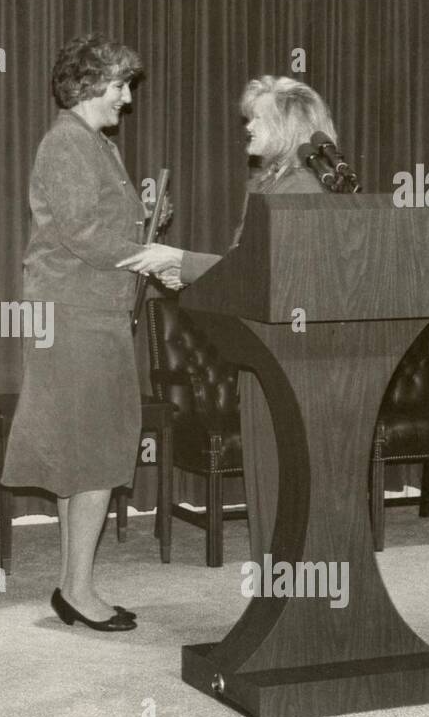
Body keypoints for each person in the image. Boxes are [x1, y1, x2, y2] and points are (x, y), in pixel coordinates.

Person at [1, 34, 181, 632]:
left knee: (85, 452)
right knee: (98, 452)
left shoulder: (91, 144)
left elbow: (98, 228)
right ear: (87, 86)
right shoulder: (69, 144)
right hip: (76, 317)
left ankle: (73, 586)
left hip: (88, 313)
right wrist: (154, 253)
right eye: (120, 86)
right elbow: (84, 237)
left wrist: (146, 221)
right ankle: (78, 590)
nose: (127, 98)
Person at [129, 75, 336, 564]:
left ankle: (288, 591)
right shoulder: (272, 182)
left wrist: (179, 258)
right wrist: (190, 272)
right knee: (269, 481)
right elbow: (246, 266)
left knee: (280, 481)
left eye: (255, 117)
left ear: (286, 126)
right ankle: (277, 592)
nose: (246, 126)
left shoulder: (300, 188)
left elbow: (266, 275)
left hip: (285, 356)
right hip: (264, 353)